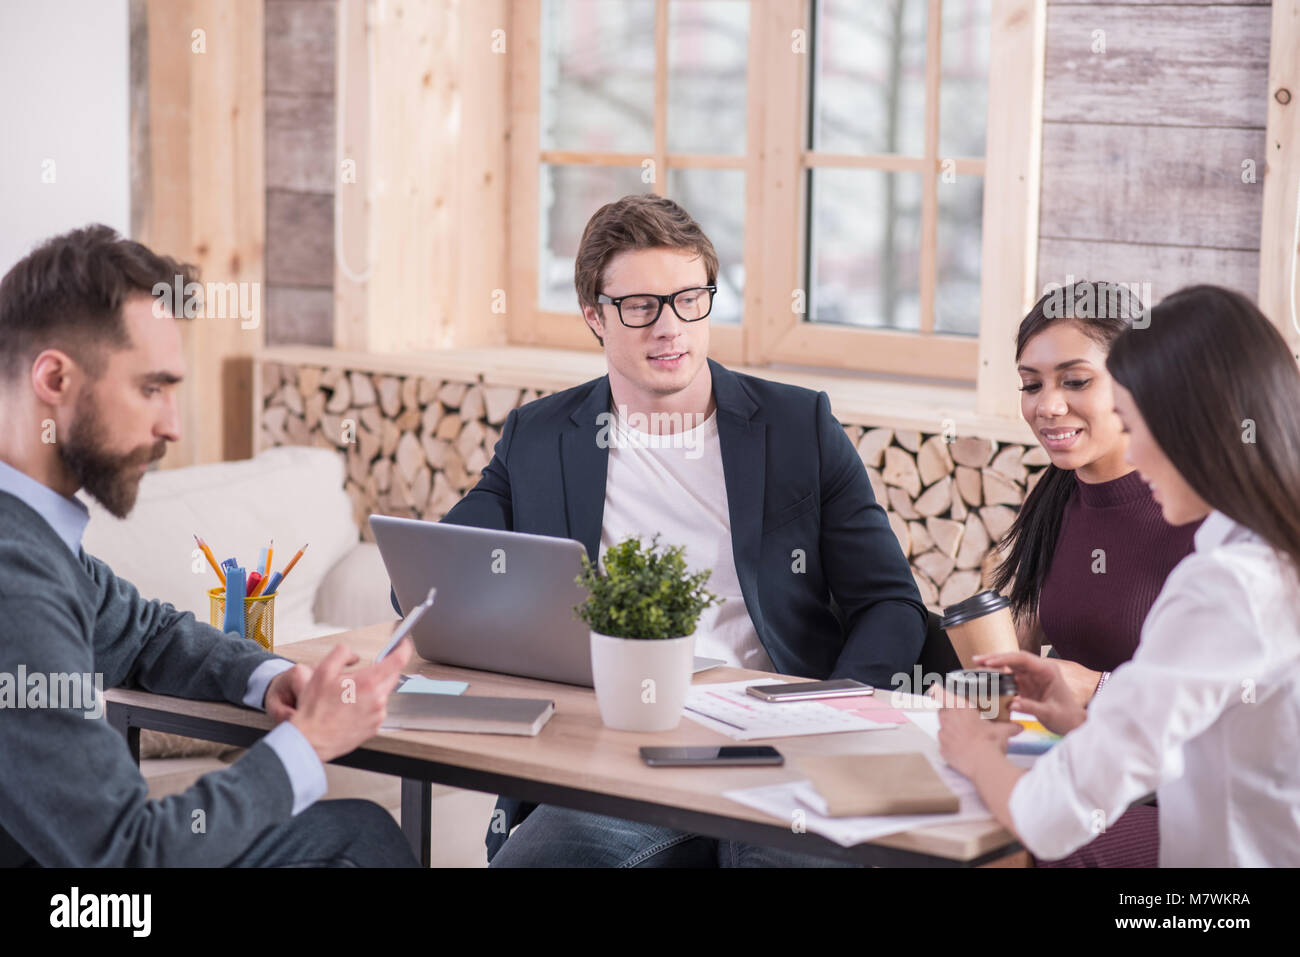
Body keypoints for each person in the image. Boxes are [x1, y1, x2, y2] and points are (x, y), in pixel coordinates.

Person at [406, 194, 928, 866]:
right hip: (616, 754)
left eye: (689, 298)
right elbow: (432, 577)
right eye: (640, 305)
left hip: (774, 750)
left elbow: (891, 603)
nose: (670, 326)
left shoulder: (799, 428)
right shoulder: (539, 438)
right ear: (595, 315)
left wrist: (825, 718)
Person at [0, 225, 418, 867]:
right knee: (358, 845)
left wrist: (274, 678)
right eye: (151, 388)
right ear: (54, 377)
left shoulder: (36, 534)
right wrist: (306, 746)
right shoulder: (14, 576)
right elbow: (125, 860)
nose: (171, 425)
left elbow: (145, 635)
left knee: (358, 832)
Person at [936, 285, 1300, 867]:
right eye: (1032, 384)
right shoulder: (1261, 553)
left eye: (1135, 422)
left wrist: (974, 752)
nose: (1134, 449)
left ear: (1193, 422)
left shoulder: (1226, 585)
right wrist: (1079, 716)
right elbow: (1185, 738)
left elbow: (1048, 819)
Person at [988, 280, 1199, 867]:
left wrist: (1095, 689)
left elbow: (1222, 716)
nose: (1046, 405)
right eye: (1032, 384)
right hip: (1078, 767)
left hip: (1179, 801)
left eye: (1075, 381)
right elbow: (1021, 647)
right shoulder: (1056, 493)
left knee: (1024, 844)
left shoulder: (1197, 512)